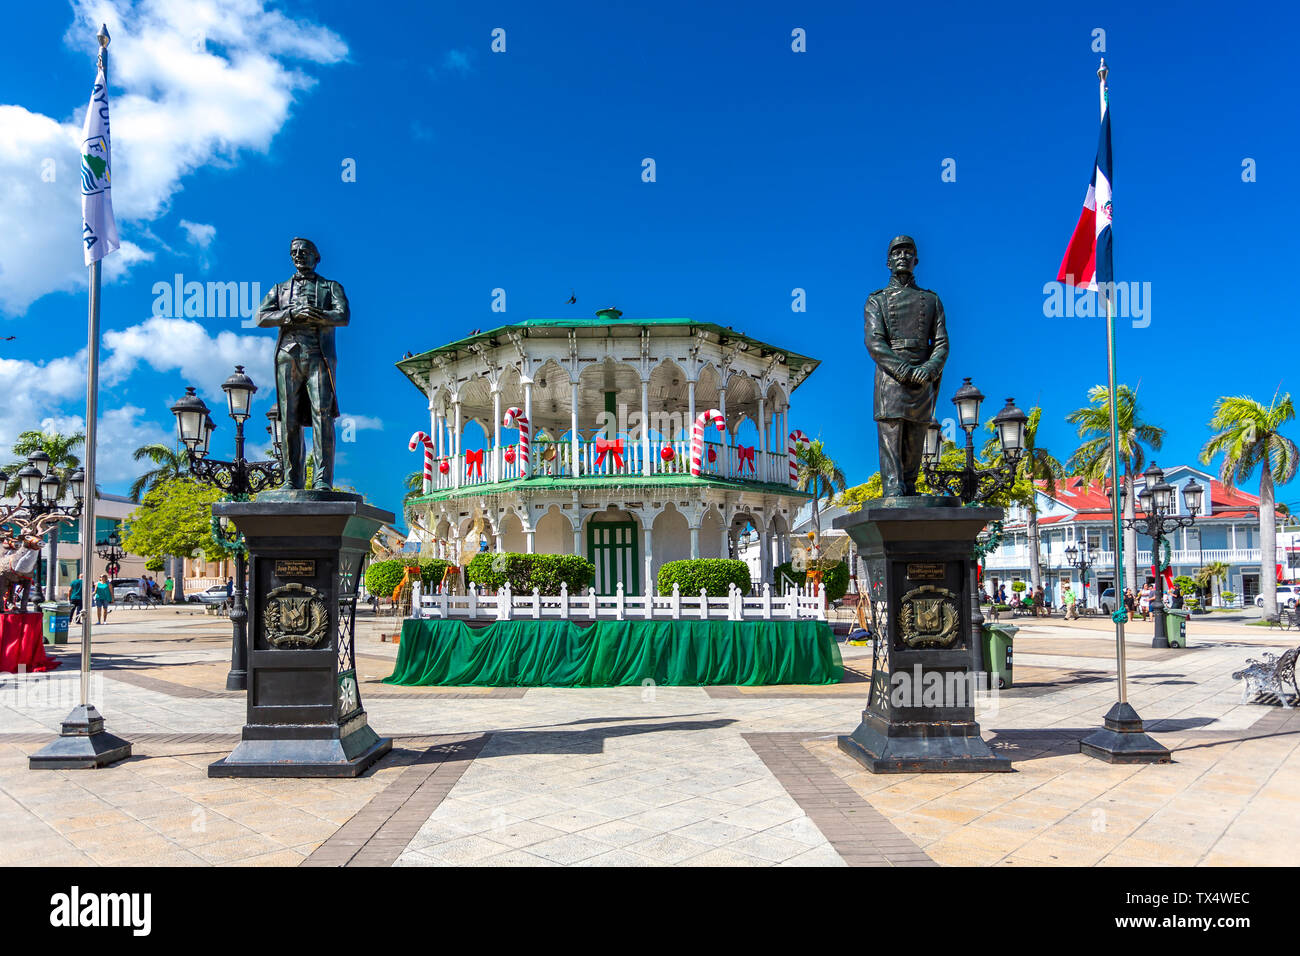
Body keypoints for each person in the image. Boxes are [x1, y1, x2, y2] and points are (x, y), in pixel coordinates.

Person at [256, 237, 349, 491]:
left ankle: (322, 480)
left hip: (318, 355)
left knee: (323, 416)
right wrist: (290, 315)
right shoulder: (279, 289)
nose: (298, 256)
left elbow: (343, 315)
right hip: (288, 356)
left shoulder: (330, 287)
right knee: (288, 419)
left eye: (304, 251)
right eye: (294, 252)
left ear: (316, 257)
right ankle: (292, 479)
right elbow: (261, 317)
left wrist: (318, 316)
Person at [863, 235, 949, 497]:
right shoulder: (876, 300)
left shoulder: (931, 300)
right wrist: (902, 370)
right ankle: (893, 488)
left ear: (916, 260)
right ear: (888, 262)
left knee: (916, 437)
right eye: (896, 253)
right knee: (891, 435)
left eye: (907, 252)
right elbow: (874, 341)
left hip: (922, 378)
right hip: (891, 378)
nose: (902, 256)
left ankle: (910, 486)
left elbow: (942, 343)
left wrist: (929, 368)